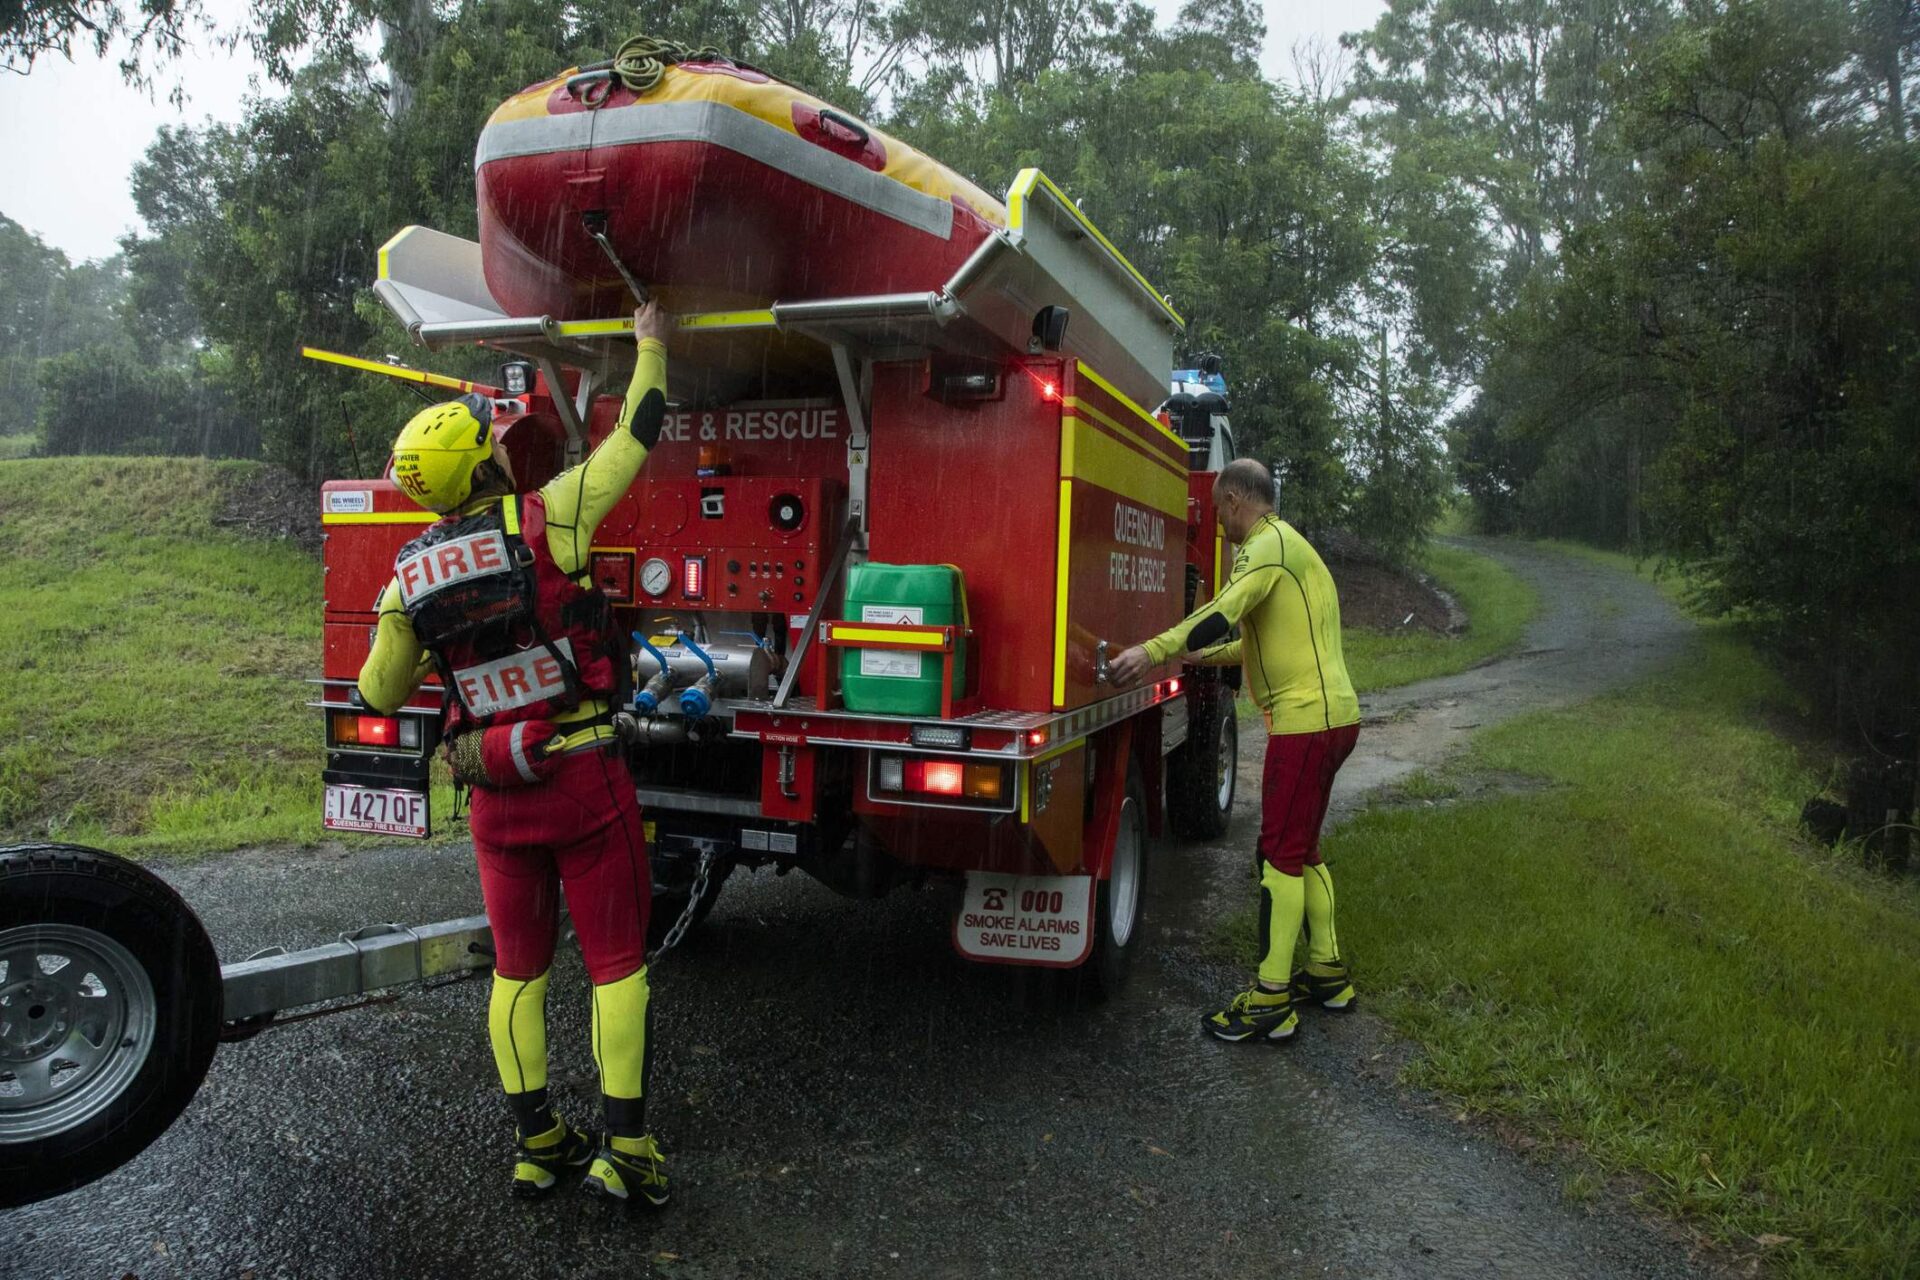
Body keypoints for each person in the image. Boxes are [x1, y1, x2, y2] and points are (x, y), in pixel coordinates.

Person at [357, 303, 673, 1203]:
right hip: (582, 776)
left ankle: (539, 1144)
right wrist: (652, 339)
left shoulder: (406, 577)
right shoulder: (549, 516)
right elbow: (638, 433)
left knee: (517, 970)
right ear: (488, 459)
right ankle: (628, 1148)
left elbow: (380, 692)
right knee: (616, 965)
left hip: (494, 793)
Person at [1105, 458, 1361, 1043]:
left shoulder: (1264, 547)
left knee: (1277, 855)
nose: (1217, 521)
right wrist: (1189, 657)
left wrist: (1153, 648)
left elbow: (1222, 614)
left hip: (1305, 723)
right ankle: (1326, 973)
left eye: (1220, 508)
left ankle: (1271, 999)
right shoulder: (1290, 547)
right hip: (1334, 718)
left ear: (1240, 499)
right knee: (1304, 849)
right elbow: (1251, 642)